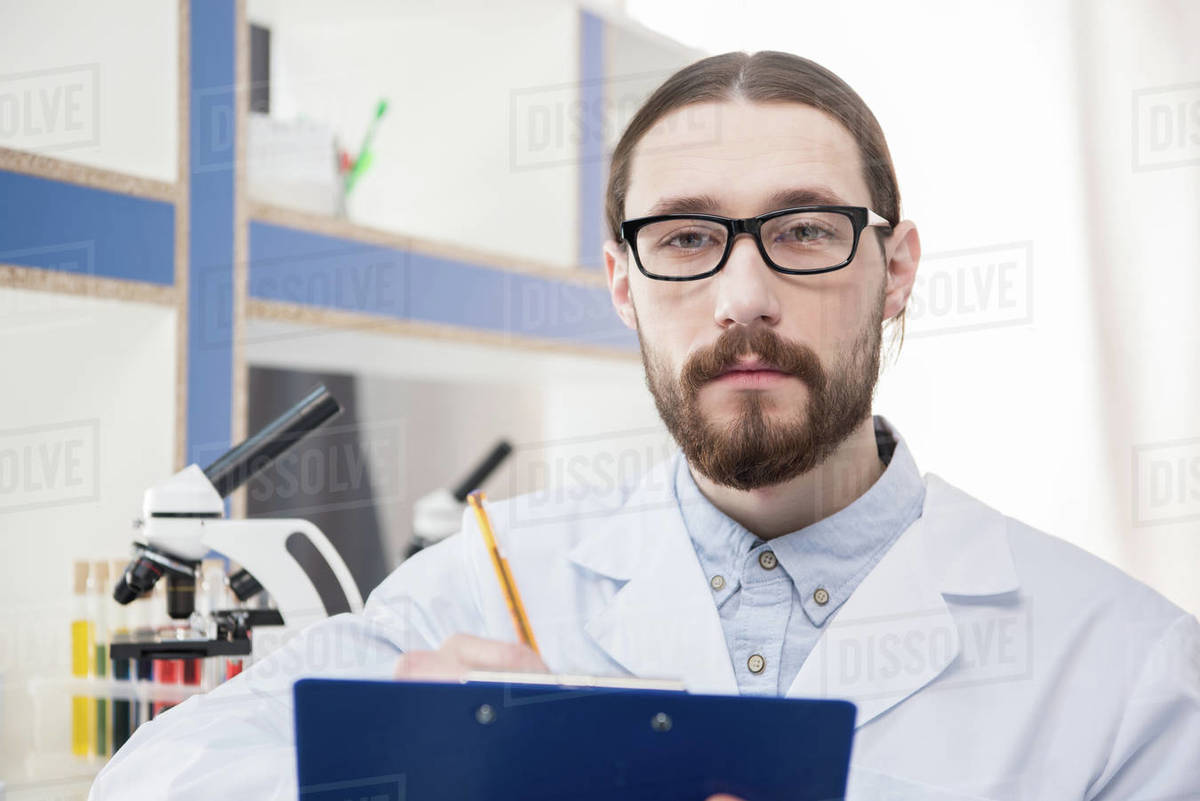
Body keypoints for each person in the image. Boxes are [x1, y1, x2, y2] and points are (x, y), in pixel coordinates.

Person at [91, 51, 1200, 801]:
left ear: (895, 269)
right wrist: (393, 762)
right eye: (684, 239)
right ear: (622, 282)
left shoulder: (1128, 668)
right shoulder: (481, 583)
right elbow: (148, 780)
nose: (743, 297)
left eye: (804, 232)